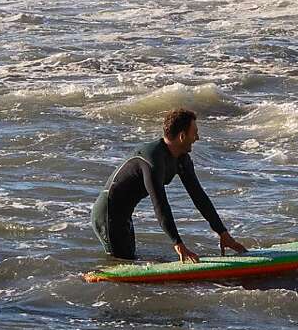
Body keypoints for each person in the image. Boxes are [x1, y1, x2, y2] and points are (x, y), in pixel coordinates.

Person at [92, 108, 247, 262]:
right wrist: (178, 244)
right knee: (120, 264)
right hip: (107, 213)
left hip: (124, 214)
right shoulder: (152, 159)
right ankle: (91, 279)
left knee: (128, 260)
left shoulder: (182, 159)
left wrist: (223, 234)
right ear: (182, 136)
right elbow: (160, 204)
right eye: (195, 133)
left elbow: (199, 197)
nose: (197, 138)